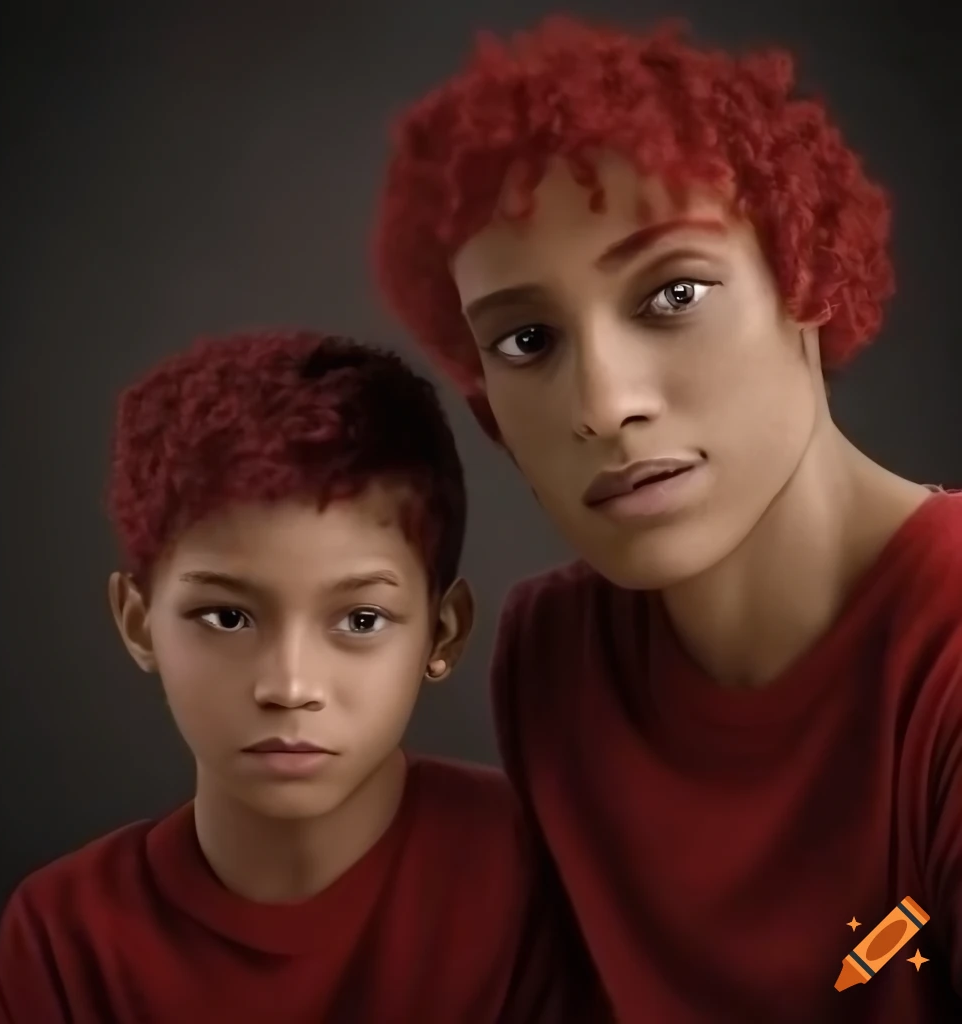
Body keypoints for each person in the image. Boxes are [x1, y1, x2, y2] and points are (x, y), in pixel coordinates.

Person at [373, 15, 962, 1024]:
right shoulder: (553, 657)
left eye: (672, 292)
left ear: (806, 278)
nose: (600, 402)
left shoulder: (943, 650)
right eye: (525, 339)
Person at [0, 330, 585, 1024]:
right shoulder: (67, 933)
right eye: (228, 618)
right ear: (138, 621)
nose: (290, 686)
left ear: (441, 631)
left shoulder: (544, 869)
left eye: (360, 620)